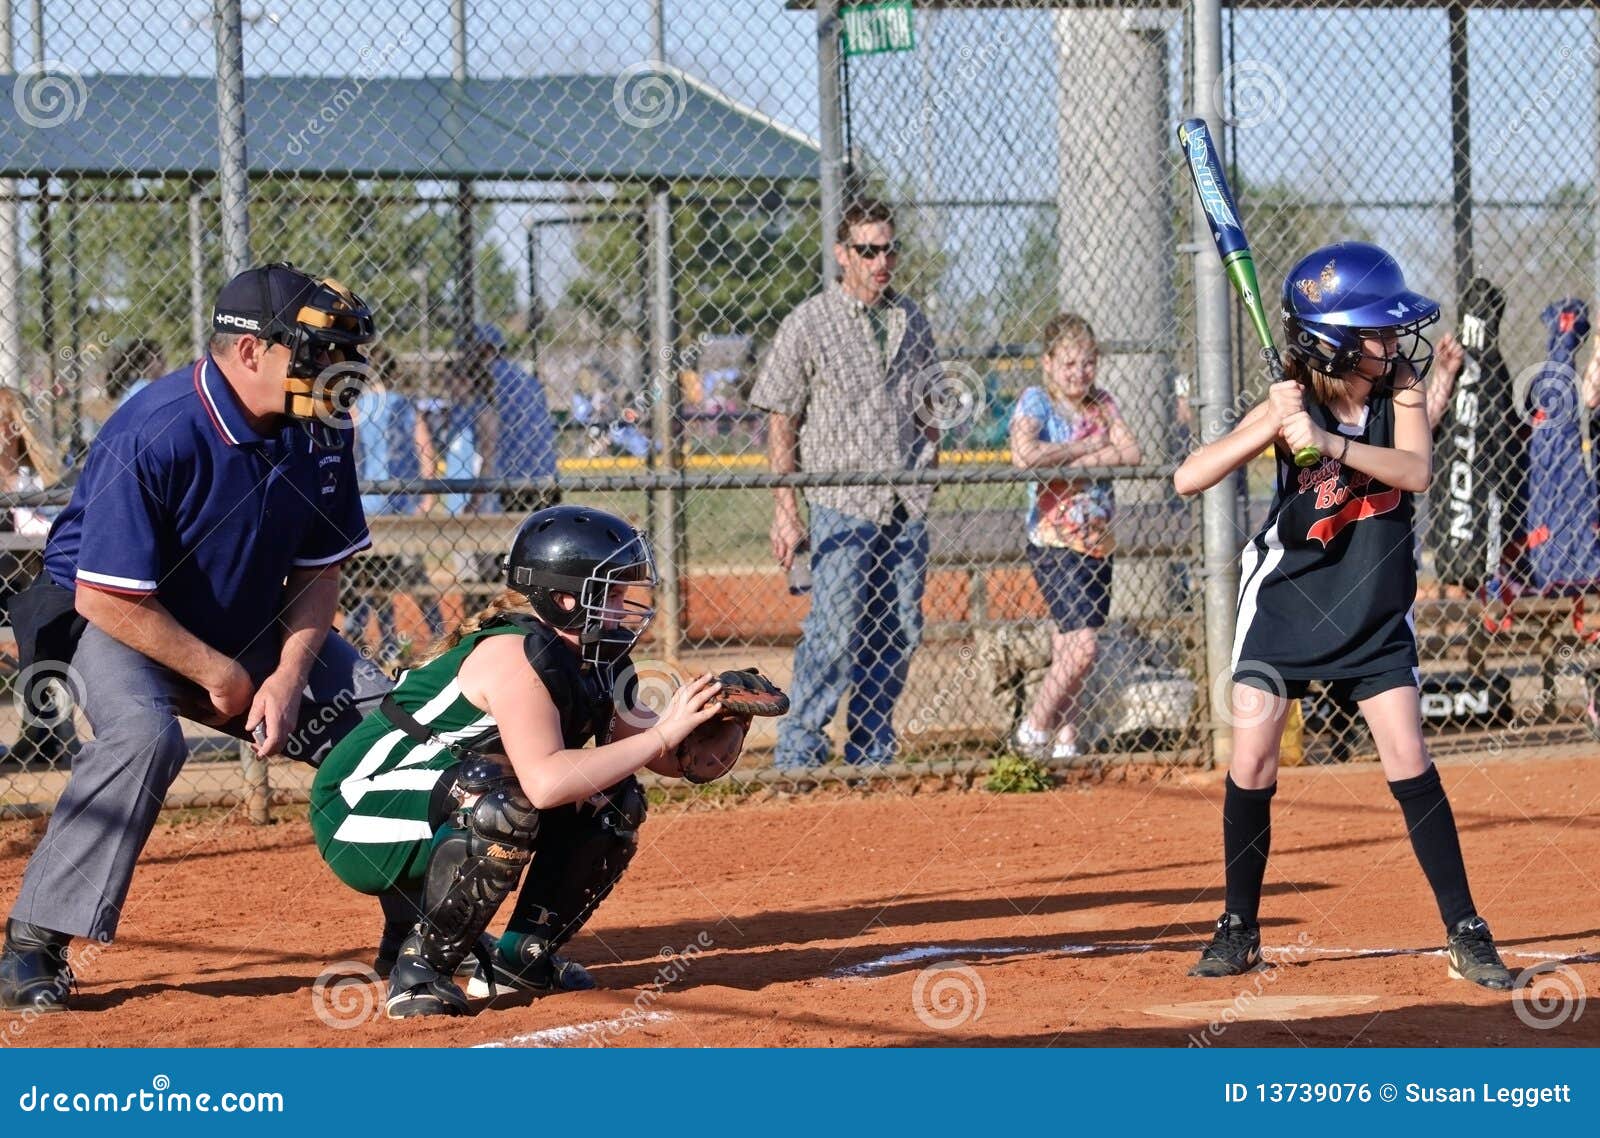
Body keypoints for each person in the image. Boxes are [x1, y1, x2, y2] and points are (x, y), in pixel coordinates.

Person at [0, 263, 394, 1012]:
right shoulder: (157, 427)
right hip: (122, 623)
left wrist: (283, 676)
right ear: (249, 353)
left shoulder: (322, 427)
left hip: (248, 621)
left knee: (393, 731)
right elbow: (107, 596)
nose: (335, 373)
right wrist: (219, 674)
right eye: (314, 354)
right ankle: (34, 943)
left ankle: (428, 933)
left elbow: (316, 576)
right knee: (145, 737)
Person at [1171, 241, 1512, 989]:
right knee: (1254, 760)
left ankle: (1466, 929)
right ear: (1330, 340)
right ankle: (1238, 926)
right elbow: (1188, 476)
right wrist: (1270, 425)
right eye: (1375, 331)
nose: (1392, 343)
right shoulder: (1289, 395)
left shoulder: (1405, 383)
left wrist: (1327, 443)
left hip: (1371, 604)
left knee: (1409, 758)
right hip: (1287, 602)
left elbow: (1416, 470)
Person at [310, 505, 725, 1019]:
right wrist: (664, 732)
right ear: (564, 597)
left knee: (613, 799)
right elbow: (547, 783)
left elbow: (640, 747)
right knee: (502, 801)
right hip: (357, 808)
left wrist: (698, 734)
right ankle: (420, 971)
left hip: (438, 794)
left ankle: (518, 960)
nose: (625, 607)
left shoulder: (597, 656)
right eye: (611, 593)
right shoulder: (517, 654)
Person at [750, 198, 943, 769]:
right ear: (842, 254)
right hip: (840, 502)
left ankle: (870, 749)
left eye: (888, 249)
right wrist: (786, 510)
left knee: (900, 629)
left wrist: (928, 464)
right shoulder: (809, 321)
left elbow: (932, 402)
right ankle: (800, 752)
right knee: (834, 633)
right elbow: (780, 419)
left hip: (904, 501)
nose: (880, 261)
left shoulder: (913, 319)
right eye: (867, 250)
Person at [1008, 314, 1141, 759]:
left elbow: (1131, 452)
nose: (1079, 373)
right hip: (1053, 540)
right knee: (1083, 647)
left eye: (1087, 363)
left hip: (1097, 541)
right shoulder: (1037, 401)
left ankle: (1067, 740)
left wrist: (1068, 465)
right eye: (1068, 364)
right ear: (1048, 363)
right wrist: (1087, 449)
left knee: (1070, 644)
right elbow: (1025, 455)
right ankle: (1033, 729)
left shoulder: (1101, 401)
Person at [345, 345, 443, 664]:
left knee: (368, 579)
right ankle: (441, 635)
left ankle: (372, 638)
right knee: (414, 576)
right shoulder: (405, 406)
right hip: (403, 504)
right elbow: (426, 449)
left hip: (367, 504)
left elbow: (351, 448)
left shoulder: (357, 407)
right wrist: (426, 496)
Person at [0, 385, 76, 767]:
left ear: (14, 428)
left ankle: (47, 738)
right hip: (5, 587)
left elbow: (51, 535)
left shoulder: (37, 482)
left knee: (48, 613)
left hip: (30, 583)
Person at [463, 323, 560, 514]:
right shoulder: (527, 378)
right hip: (546, 477)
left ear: (486, 349)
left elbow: (489, 440)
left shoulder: (487, 379)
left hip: (511, 480)